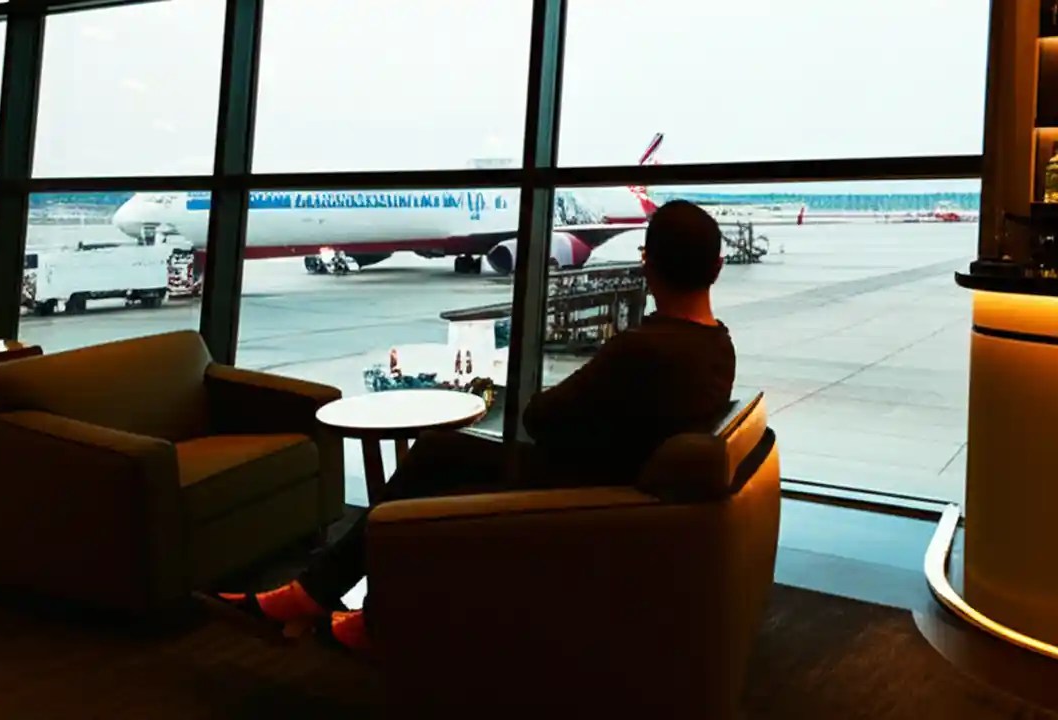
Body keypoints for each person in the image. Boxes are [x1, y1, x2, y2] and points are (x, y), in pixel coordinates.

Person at [219, 200, 736, 651]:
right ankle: (349, 608)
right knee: (441, 455)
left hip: (575, 499)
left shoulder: (641, 349)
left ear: (647, 266)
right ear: (716, 267)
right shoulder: (719, 348)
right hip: (611, 490)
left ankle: (324, 601)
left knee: (433, 462)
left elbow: (541, 415)